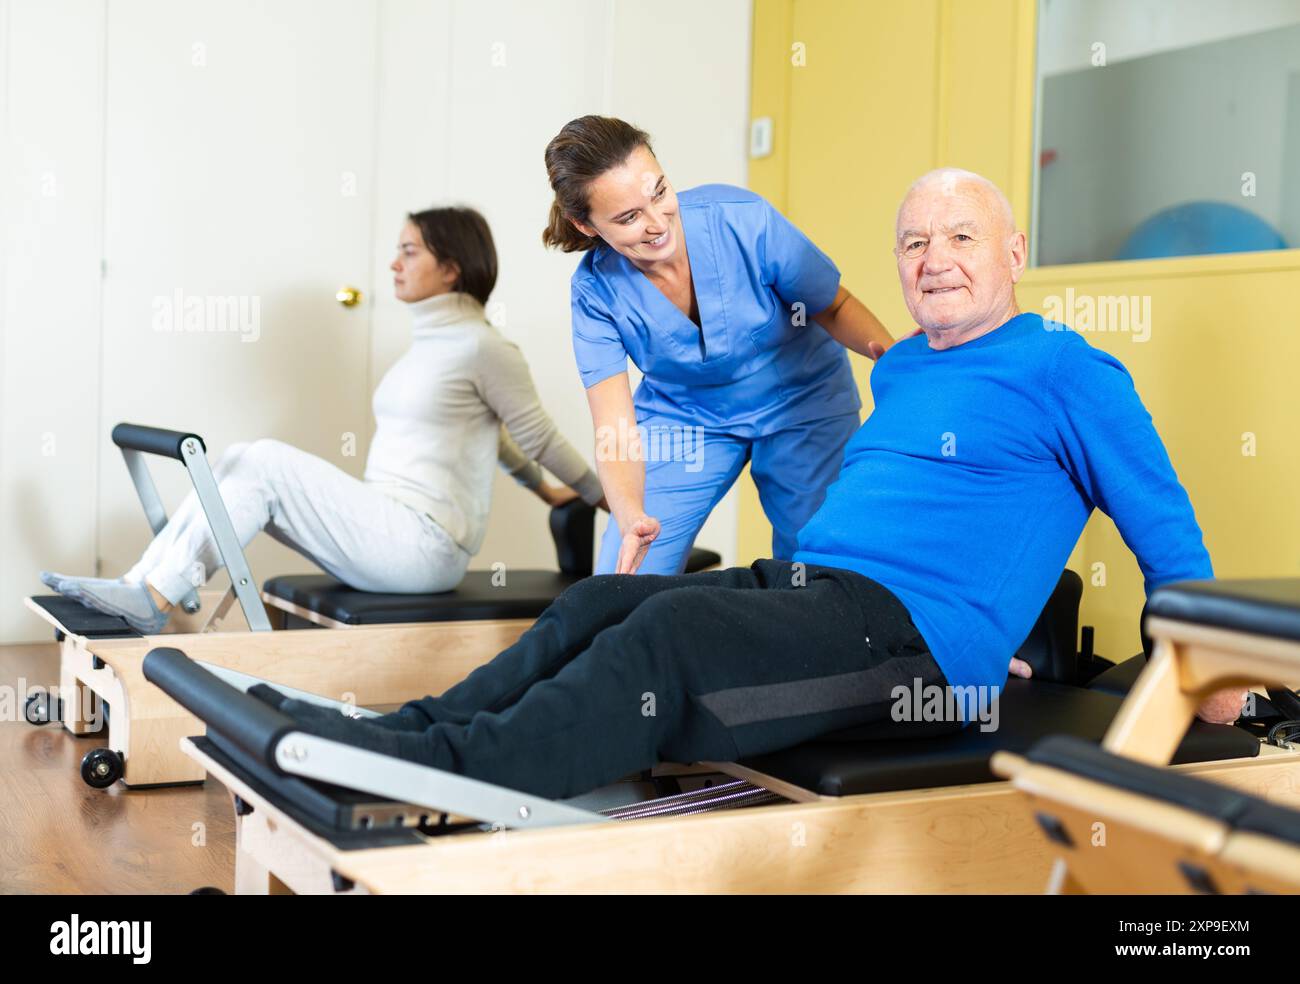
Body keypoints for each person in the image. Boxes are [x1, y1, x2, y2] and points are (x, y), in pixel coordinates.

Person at [255, 169, 1245, 802]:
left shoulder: (1069, 369)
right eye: (913, 242)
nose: (933, 259)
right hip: (822, 592)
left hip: (917, 649)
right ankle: (402, 730)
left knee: (668, 635)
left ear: (1014, 254)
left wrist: (1210, 680)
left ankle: (428, 775)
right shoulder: (903, 366)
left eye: (961, 238)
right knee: (603, 600)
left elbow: (1164, 526)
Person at [42, 207, 605, 634]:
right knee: (239, 459)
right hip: (390, 527)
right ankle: (140, 585)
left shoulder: (485, 349)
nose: (394, 263)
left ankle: (155, 597)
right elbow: (497, 440)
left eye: (409, 252)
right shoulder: (431, 347)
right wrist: (545, 492)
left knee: (263, 460)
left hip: (425, 547)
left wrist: (605, 497)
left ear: (451, 268)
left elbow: (537, 436)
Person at [543, 116, 895, 575]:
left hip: (801, 398)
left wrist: (891, 356)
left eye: (659, 193)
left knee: (815, 567)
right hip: (688, 416)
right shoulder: (595, 292)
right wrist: (629, 515)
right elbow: (616, 427)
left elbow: (831, 305)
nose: (657, 223)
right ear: (585, 225)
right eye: (628, 218)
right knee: (625, 575)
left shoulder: (740, 220)